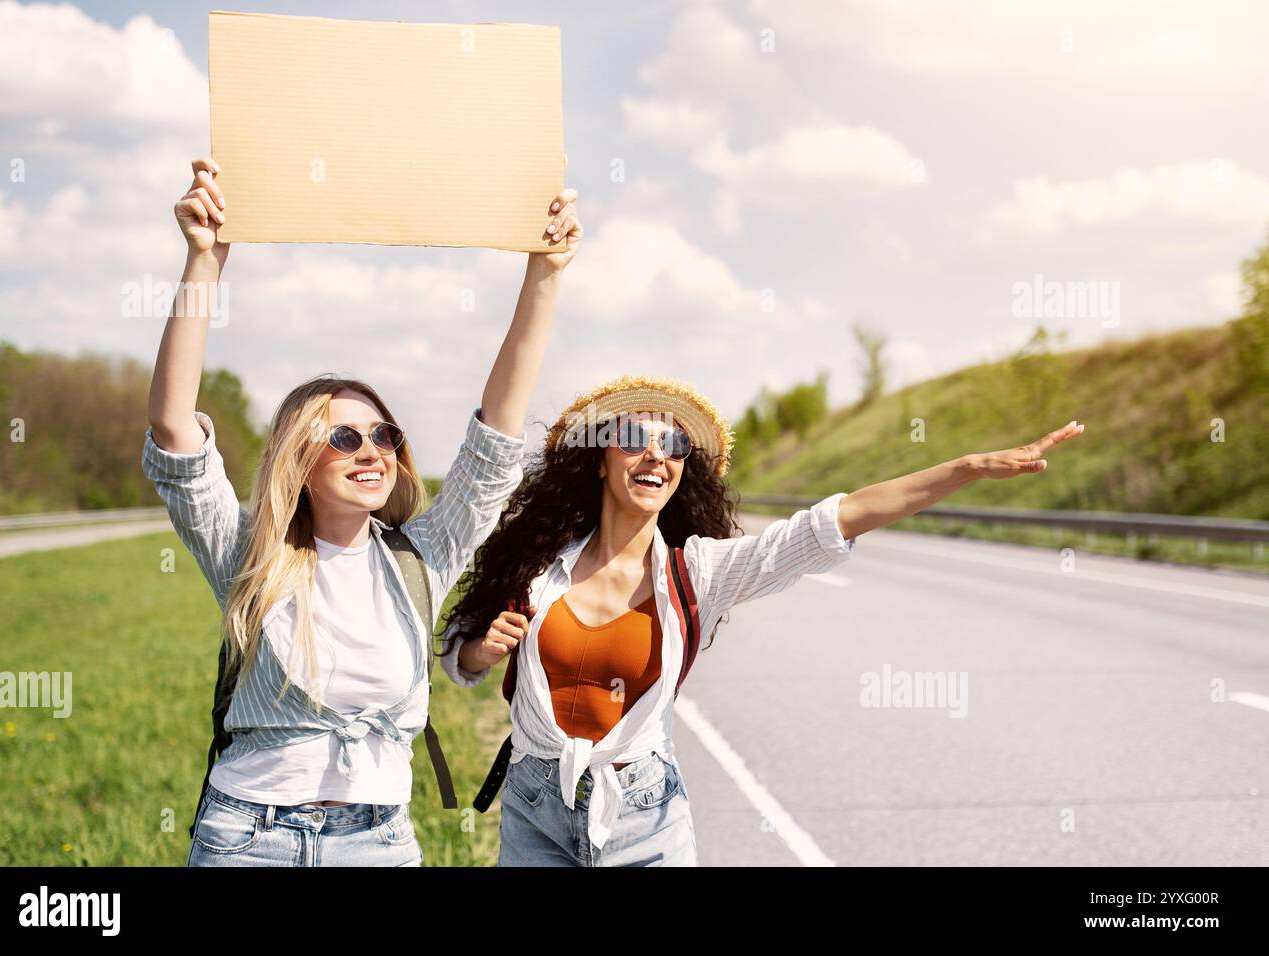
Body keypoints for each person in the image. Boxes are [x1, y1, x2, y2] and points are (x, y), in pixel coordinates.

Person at [439, 374, 1084, 866]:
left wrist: (966, 468)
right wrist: (478, 654)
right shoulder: (535, 566)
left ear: (683, 468)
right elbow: (459, 649)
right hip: (533, 805)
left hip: (641, 815)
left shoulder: (699, 573)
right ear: (601, 457)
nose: (654, 456)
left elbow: (834, 521)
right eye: (635, 437)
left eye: (674, 445)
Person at [142, 155, 582, 866]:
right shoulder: (247, 556)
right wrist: (205, 261)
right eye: (343, 436)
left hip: (377, 841)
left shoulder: (422, 558)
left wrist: (546, 274)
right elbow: (173, 433)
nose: (371, 448)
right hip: (247, 837)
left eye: (384, 434)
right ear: (299, 460)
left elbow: (496, 437)